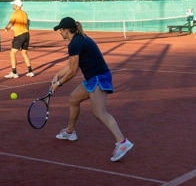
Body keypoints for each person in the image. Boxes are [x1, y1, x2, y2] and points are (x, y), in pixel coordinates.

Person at [50, 16, 134, 162]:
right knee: (74, 98)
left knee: (99, 112)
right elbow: (70, 65)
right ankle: (70, 132)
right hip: (92, 78)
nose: (59, 33)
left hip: (98, 78)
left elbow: (73, 71)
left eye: (60, 30)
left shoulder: (75, 43)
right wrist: (57, 74)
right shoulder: (80, 38)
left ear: (66, 30)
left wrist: (59, 84)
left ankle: (122, 142)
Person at [4, 0, 33, 78]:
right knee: (24, 53)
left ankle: (14, 72)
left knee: (12, 53)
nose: (12, 6)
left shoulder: (15, 13)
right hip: (26, 34)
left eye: (13, 4)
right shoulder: (24, 13)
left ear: (17, 6)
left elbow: (11, 23)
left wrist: (6, 28)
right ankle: (30, 71)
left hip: (19, 35)